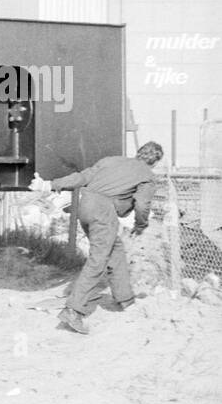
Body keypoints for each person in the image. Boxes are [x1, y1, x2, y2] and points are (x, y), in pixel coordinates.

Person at [33, 141, 163, 335]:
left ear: (139, 153)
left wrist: (51, 184)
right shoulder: (147, 176)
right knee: (98, 260)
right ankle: (73, 310)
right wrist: (141, 225)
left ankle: (125, 299)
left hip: (85, 206)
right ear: (155, 161)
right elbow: (142, 204)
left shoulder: (111, 161)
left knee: (114, 250)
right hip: (104, 212)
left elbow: (82, 177)